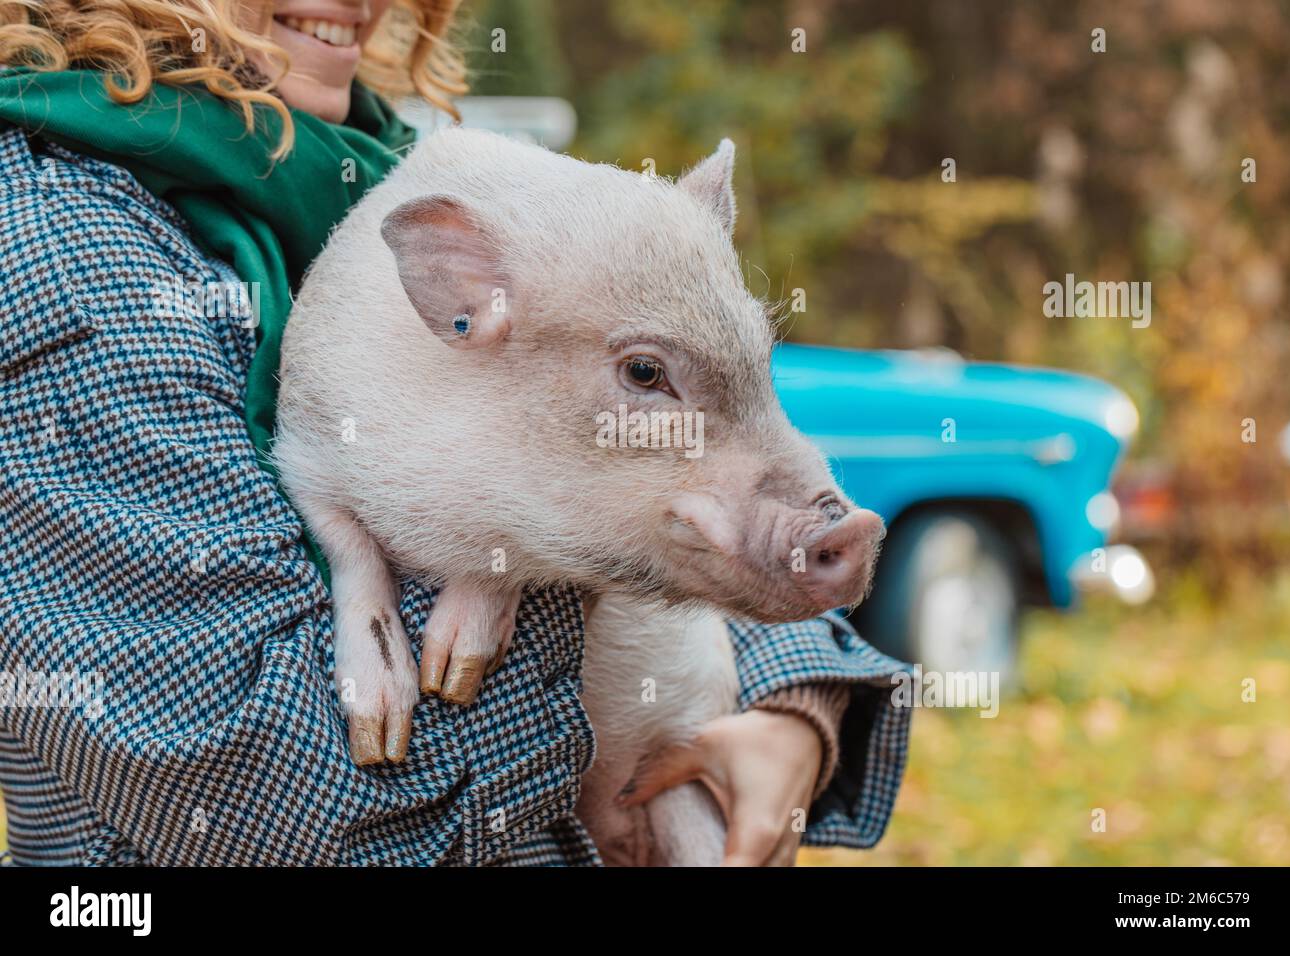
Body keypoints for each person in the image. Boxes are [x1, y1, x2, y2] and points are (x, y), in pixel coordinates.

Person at [0, 0, 909, 866]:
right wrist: (516, 570)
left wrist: (791, 703)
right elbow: (261, 783)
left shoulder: (403, 167)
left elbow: (661, 459)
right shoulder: (61, 252)